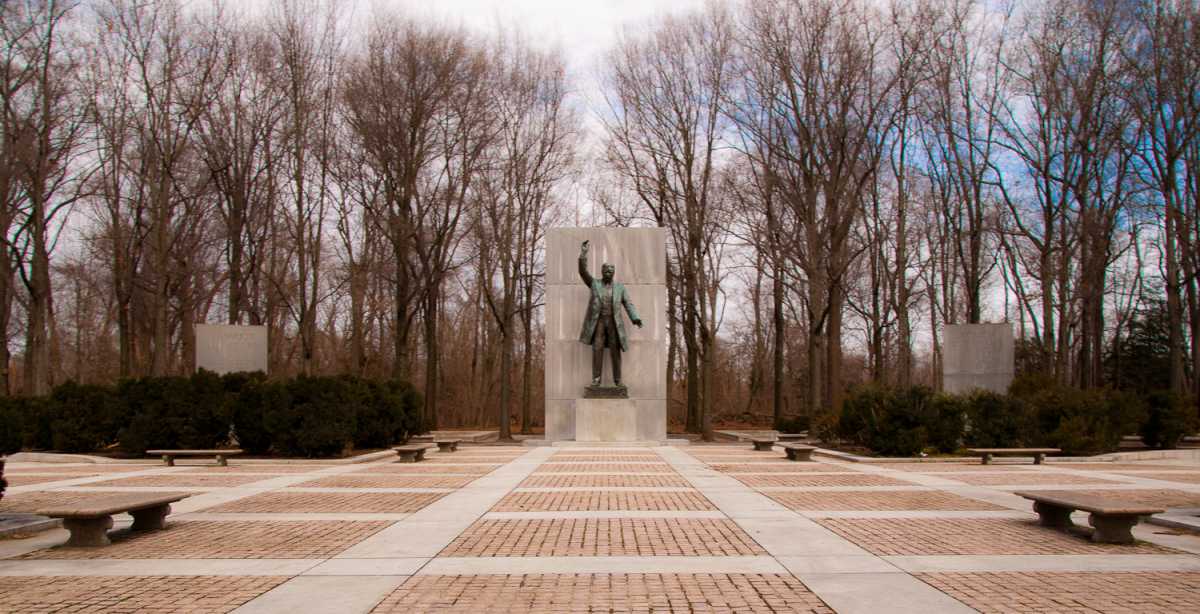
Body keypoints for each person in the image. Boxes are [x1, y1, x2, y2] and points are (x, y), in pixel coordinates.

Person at [578, 240, 643, 386]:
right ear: (602, 271)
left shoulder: (620, 287)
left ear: (614, 272)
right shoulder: (594, 283)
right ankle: (596, 380)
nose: (609, 272)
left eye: (611, 270)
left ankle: (618, 380)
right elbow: (583, 272)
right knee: (597, 349)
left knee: (615, 351)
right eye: (606, 270)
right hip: (598, 322)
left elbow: (628, 303)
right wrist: (583, 254)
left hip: (614, 323)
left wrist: (635, 318)